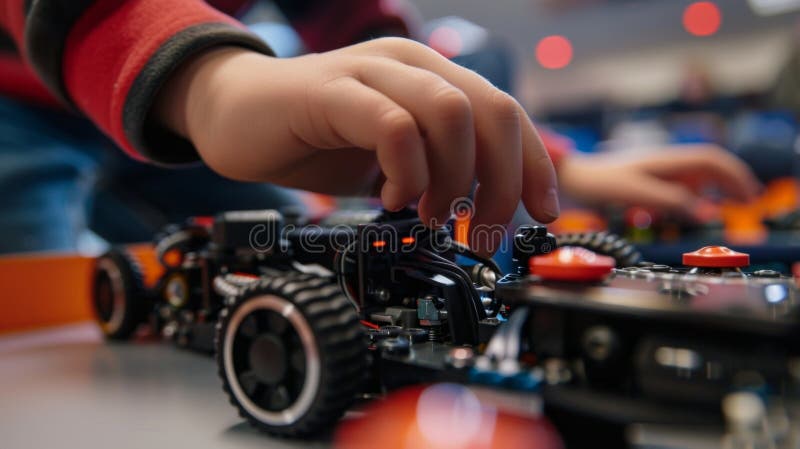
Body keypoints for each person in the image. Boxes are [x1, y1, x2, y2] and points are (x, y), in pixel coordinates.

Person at [0, 0, 759, 256]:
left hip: (189, 106)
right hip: (19, 106)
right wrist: (212, 84)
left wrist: (565, 170)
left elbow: (374, 38)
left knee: (294, 259)